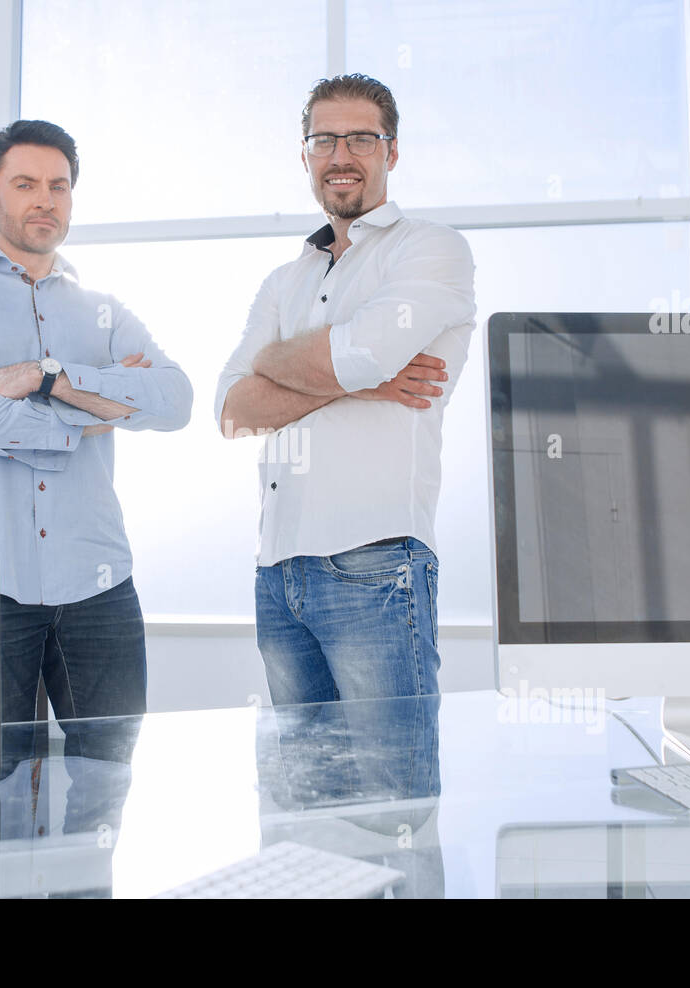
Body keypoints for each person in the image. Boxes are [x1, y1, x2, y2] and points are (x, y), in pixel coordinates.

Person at [216, 74, 475, 800]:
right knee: (301, 812)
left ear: (391, 151)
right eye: (325, 138)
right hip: (278, 573)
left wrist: (302, 363)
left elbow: (362, 355)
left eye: (361, 137)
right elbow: (233, 409)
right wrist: (353, 372)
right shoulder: (283, 278)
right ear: (305, 155)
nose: (342, 154)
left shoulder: (432, 250)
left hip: (375, 566)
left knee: (395, 812)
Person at [0, 120, 191, 767]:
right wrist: (88, 413)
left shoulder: (107, 311)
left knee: (108, 783)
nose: (46, 199)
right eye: (26, 184)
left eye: (59, 186)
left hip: (98, 583)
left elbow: (173, 401)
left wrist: (46, 378)